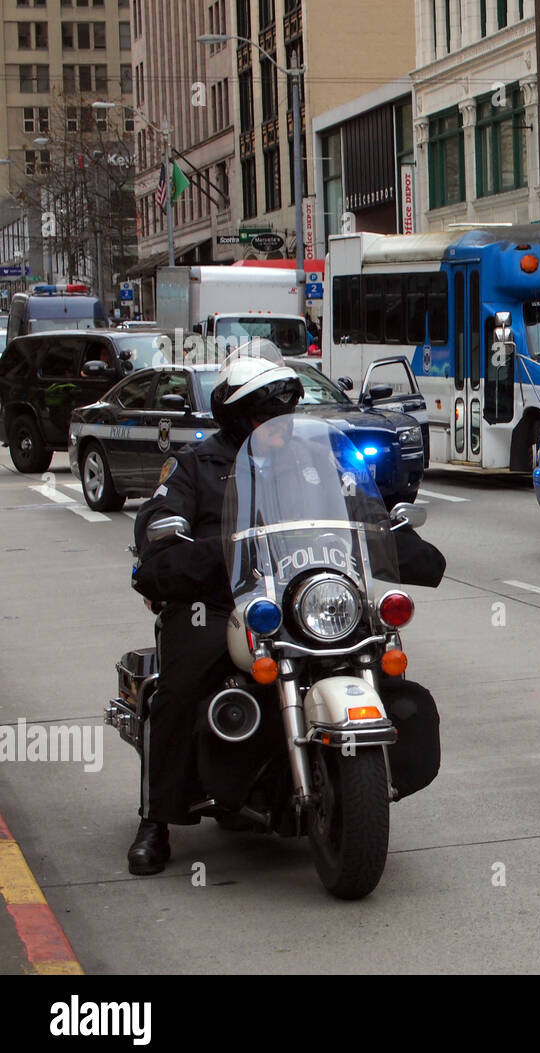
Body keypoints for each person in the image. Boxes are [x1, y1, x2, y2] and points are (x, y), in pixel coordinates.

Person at [125, 342, 448, 876]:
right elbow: (160, 525)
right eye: (262, 415)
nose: (276, 424)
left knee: (379, 652)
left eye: (283, 413)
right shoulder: (194, 465)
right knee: (180, 688)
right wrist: (172, 548)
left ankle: (362, 771)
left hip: (311, 596)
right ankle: (156, 819)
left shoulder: (316, 461)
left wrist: (396, 536)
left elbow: (361, 508)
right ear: (236, 417)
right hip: (221, 601)